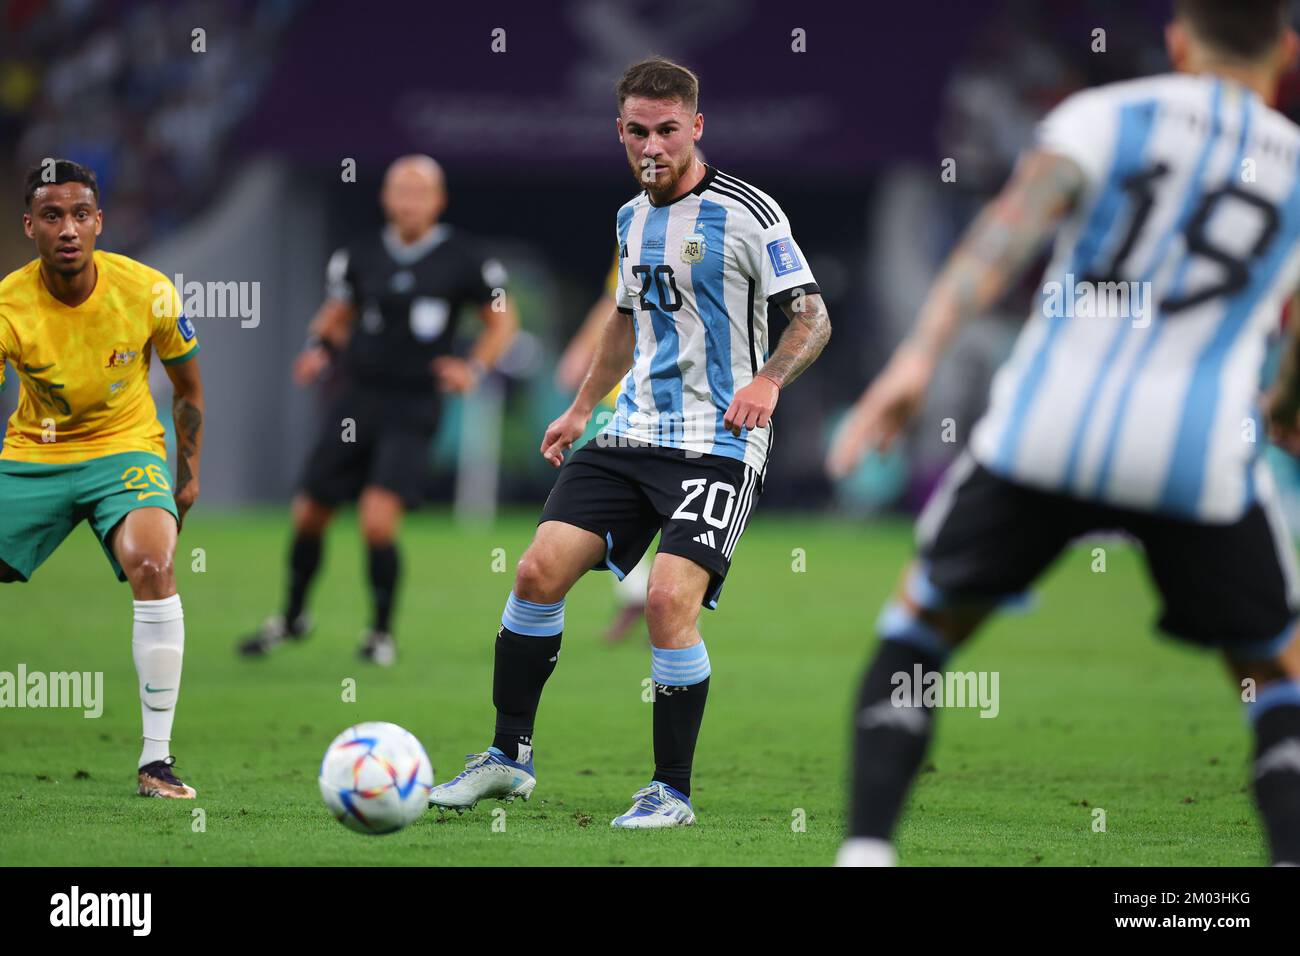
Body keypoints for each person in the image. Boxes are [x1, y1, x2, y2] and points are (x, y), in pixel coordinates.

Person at [828, 0, 1300, 866]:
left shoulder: (1104, 116)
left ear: (1178, 39)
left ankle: (865, 852)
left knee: (923, 629)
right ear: (1288, 49)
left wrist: (915, 361)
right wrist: (1285, 411)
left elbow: (1004, 236)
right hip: (1194, 452)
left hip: (1047, 425)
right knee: (1275, 674)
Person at [429, 57, 831, 827]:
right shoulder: (630, 218)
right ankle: (508, 758)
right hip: (631, 430)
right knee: (538, 572)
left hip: (718, 442)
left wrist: (770, 381)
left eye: (669, 131)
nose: (654, 146)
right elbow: (624, 318)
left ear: (697, 128)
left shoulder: (750, 213)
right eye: (639, 132)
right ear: (620, 132)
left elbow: (812, 317)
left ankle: (670, 792)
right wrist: (581, 408)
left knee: (668, 601)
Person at [237, 155, 518, 666]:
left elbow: (502, 320)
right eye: (400, 190)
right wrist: (318, 348)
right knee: (309, 513)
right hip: (356, 397)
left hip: (414, 403)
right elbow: (338, 313)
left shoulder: (467, 259)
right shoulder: (359, 255)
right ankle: (293, 616)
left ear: (439, 199)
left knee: (377, 522)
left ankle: (379, 633)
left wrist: (472, 368)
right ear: (386, 198)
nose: (409, 201)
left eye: (420, 191)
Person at [0, 160, 204, 798]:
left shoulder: (148, 291)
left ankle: (156, 762)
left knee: (153, 563)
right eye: (53, 216)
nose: (68, 228)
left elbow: (188, 388)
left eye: (80, 214)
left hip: (126, 452)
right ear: (29, 225)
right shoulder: (7, 303)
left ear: (99, 223)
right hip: (34, 452)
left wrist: (188, 475)